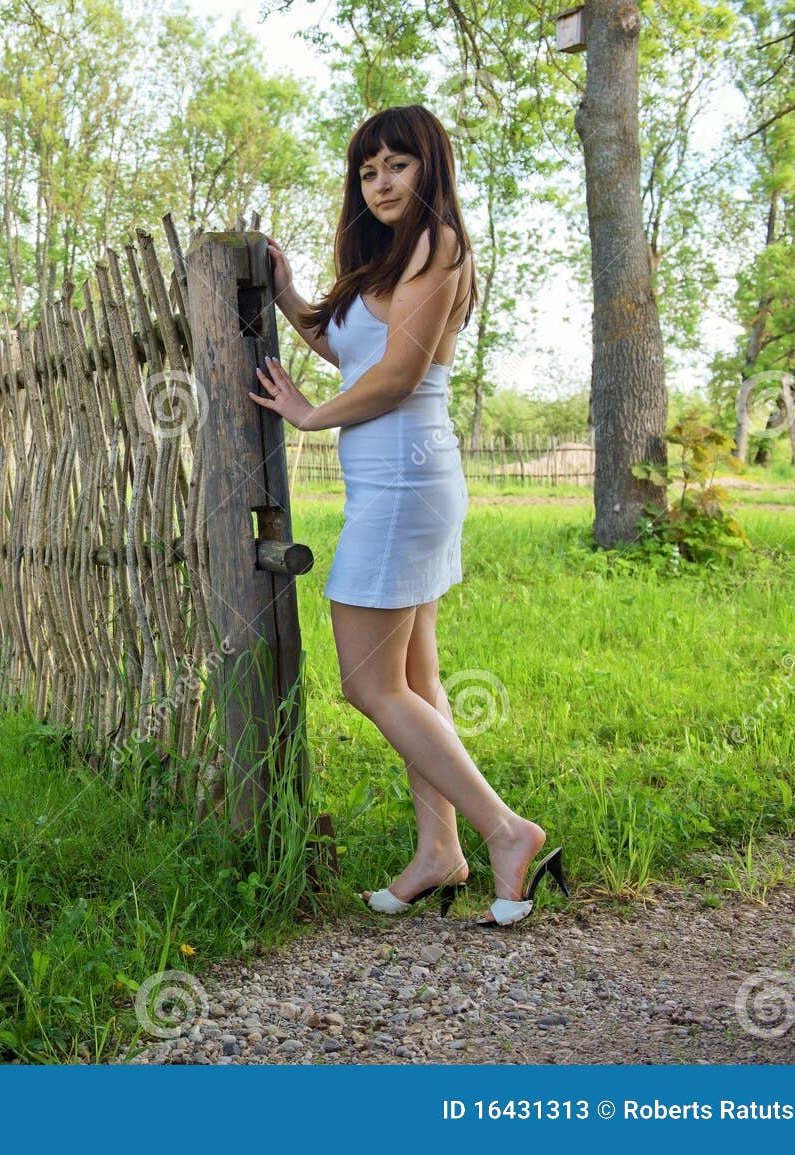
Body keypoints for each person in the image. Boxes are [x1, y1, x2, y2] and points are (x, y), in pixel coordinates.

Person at [247, 104, 566, 928]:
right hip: (395, 486)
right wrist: (288, 294)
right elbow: (351, 350)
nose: (382, 182)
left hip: (402, 487)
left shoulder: (438, 243)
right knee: (417, 681)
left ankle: (506, 829)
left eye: (398, 164)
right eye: (368, 171)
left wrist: (310, 416)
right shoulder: (392, 259)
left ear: (431, 168)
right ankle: (439, 851)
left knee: (368, 682)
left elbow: (398, 376)